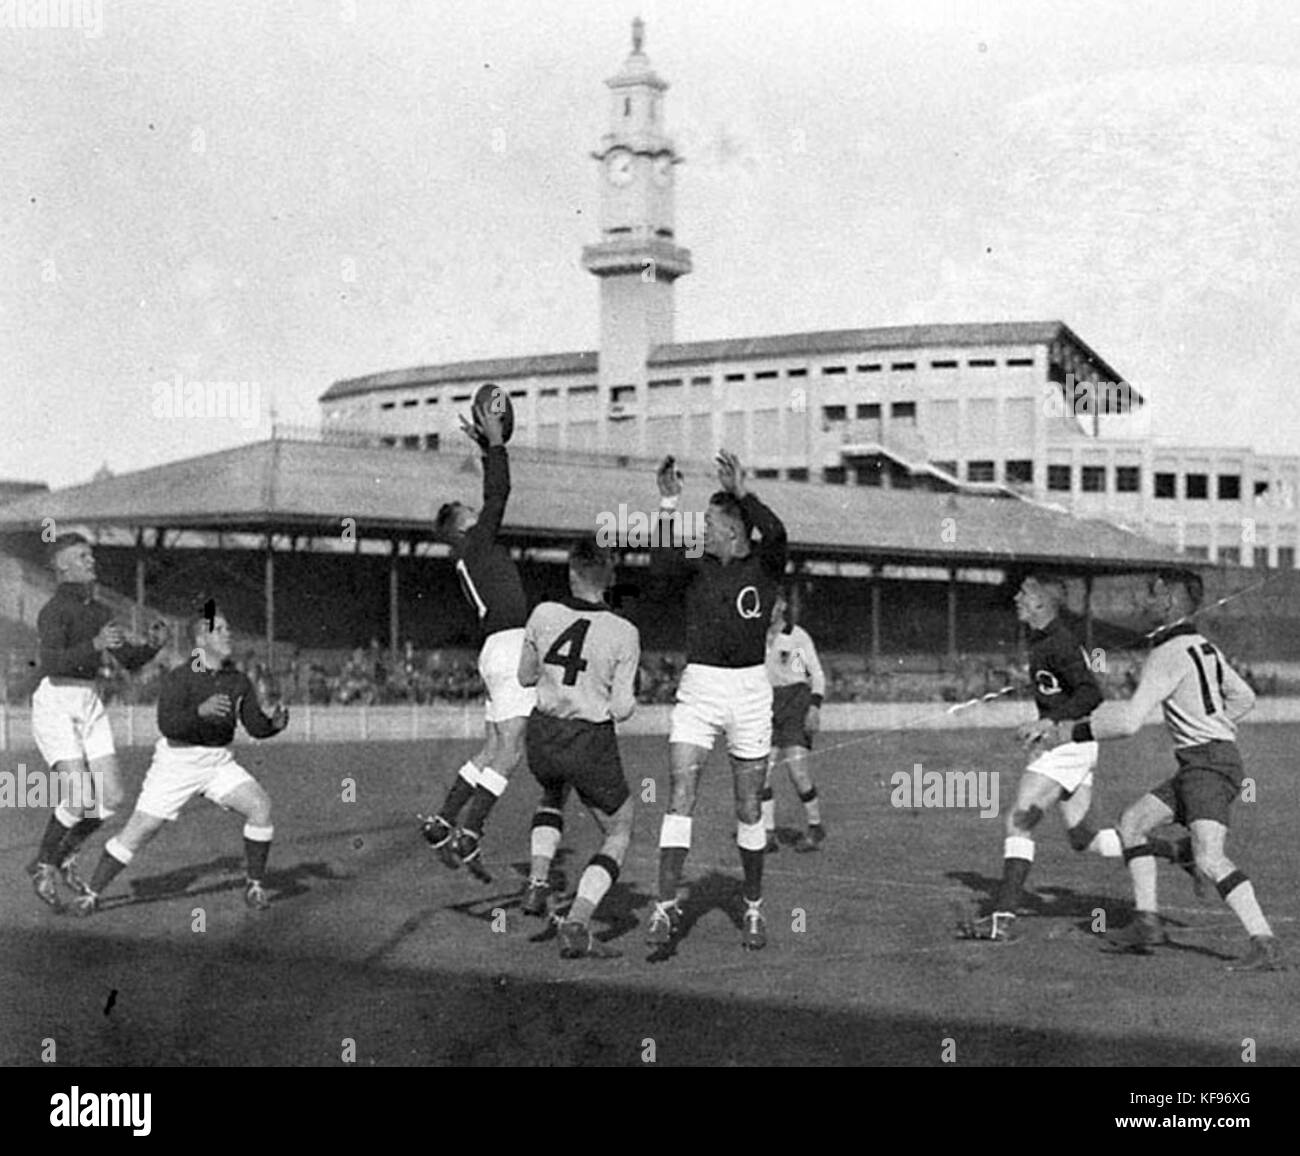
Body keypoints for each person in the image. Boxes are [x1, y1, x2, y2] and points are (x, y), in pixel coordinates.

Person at [1029, 570, 1284, 971]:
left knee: (1211, 860)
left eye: (1151, 593)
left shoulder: (1167, 653)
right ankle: (1147, 923)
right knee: (1132, 824)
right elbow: (1245, 697)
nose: (1143, 601)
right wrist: (1215, 727)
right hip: (1206, 761)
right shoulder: (1204, 646)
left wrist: (1068, 733)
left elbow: (1129, 722)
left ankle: (1264, 942)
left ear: (1167, 599)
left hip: (1207, 765)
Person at [645, 450, 787, 951]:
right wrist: (667, 503)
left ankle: (751, 907)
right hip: (700, 689)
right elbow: (658, 567)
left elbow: (777, 534)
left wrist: (745, 493)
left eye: (707, 522)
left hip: (749, 692)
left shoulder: (766, 568)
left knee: (749, 808)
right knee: (680, 797)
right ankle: (663, 910)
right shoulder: (696, 568)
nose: (701, 529)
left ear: (732, 530)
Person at [71, 608, 289, 916]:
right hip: (177, 762)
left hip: (217, 762)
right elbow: (168, 725)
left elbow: (254, 726)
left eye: (228, 628)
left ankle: (254, 886)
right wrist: (200, 712)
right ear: (201, 639)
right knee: (141, 829)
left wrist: (274, 725)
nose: (228, 634)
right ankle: (91, 892)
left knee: (260, 806)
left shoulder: (237, 680)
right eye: (220, 629)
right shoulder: (181, 676)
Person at [961, 575, 1129, 941]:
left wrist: (1048, 722)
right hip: (1076, 746)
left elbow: (1091, 694)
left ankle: (1001, 917)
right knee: (1084, 838)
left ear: (1040, 604)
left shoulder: (1059, 643)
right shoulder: (1044, 639)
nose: (1017, 598)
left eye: (1024, 593)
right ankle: (1176, 849)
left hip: (1067, 745)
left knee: (1019, 820)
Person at [420, 392, 534, 880]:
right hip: (509, 646)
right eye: (470, 510)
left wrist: (488, 450)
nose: (478, 511)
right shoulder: (476, 540)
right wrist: (494, 446)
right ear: (461, 525)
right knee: (511, 751)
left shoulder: (466, 553)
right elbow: (499, 496)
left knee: (491, 748)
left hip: (494, 649)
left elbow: (491, 498)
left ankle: (445, 819)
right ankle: (470, 831)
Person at [26, 532, 167, 911]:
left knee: (113, 798)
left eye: (90, 555)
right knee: (78, 797)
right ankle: (43, 866)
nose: (91, 560)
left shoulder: (101, 611)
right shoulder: (53, 611)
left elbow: (130, 660)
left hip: (89, 701)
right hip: (56, 702)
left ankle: (60, 857)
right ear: (62, 566)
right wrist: (95, 644)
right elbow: (51, 663)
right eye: (82, 555)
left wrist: (153, 645)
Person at [516, 537, 641, 959]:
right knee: (620, 827)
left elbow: (524, 676)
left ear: (571, 572)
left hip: (543, 734)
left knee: (552, 791)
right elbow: (622, 710)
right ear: (610, 576)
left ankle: (536, 881)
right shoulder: (624, 632)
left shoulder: (543, 613)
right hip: (589, 741)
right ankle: (579, 920)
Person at [762, 589, 826, 854]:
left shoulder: (796, 638)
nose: (768, 608)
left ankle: (815, 826)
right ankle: (767, 833)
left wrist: (813, 707)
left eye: (773, 602)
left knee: (797, 772)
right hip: (766, 707)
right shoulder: (755, 636)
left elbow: (813, 675)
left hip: (794, 706)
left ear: (782, 605)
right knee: (761, 773)